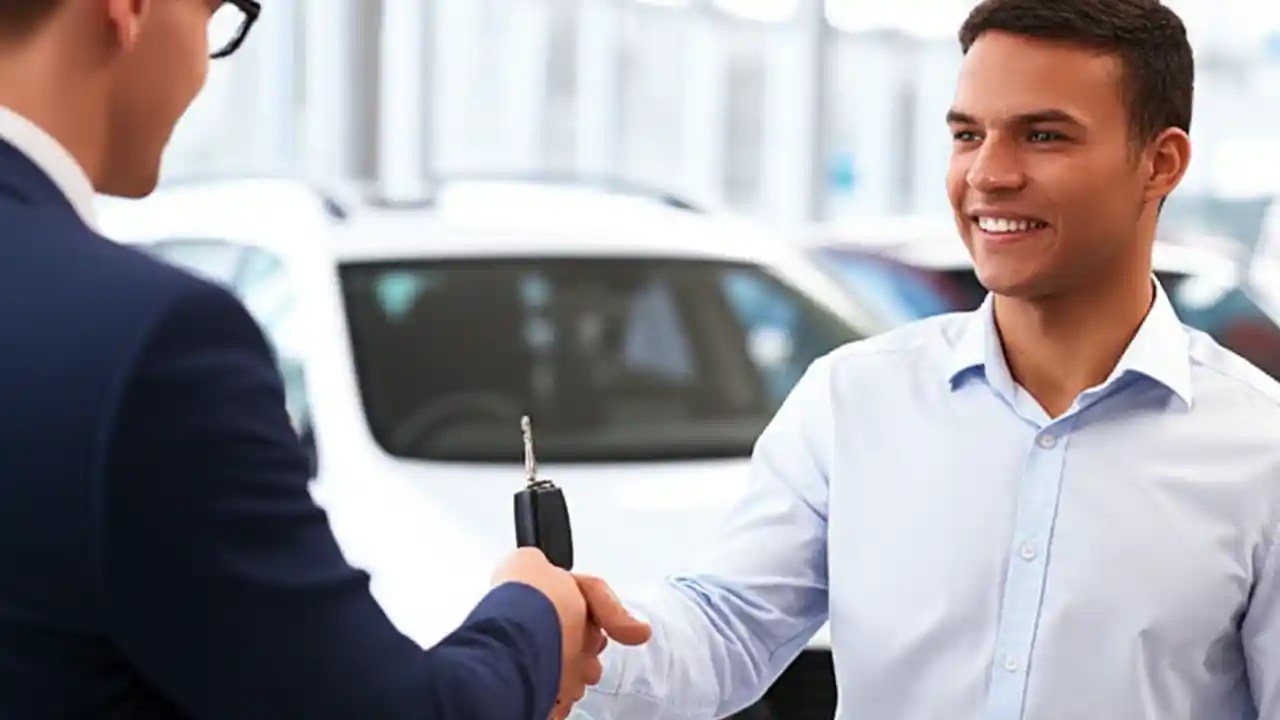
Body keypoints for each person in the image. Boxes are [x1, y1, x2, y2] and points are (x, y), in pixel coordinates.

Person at [575, 0, 1280, 718]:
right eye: (968, 134)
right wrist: (574, 644)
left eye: (1043, 135)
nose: (989, 174)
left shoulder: (1261, 451)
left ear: (1160, 163)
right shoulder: (852, 401)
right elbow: (723, 628)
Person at [0, 1, 649, 718]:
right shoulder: (152, 340)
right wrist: (532, 615)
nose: (203, 73)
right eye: (214, 17)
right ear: (127, 9)